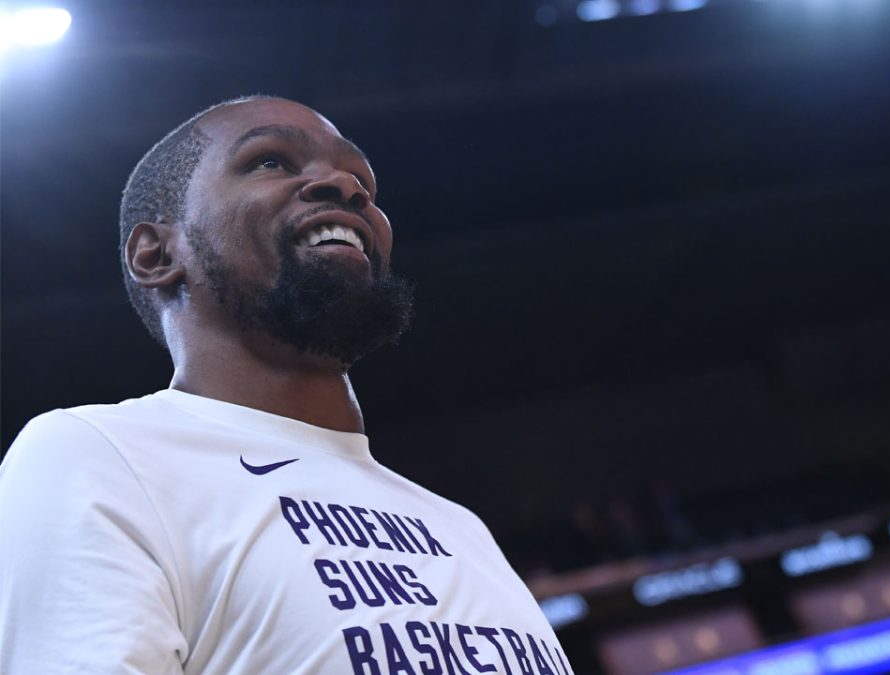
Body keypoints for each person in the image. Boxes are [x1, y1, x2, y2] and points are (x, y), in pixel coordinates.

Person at [0, 96, 574, 675]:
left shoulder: (457, 525)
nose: (346, 187)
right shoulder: (95, 455)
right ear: (156, 254)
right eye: (270, 162)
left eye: (360, 179)